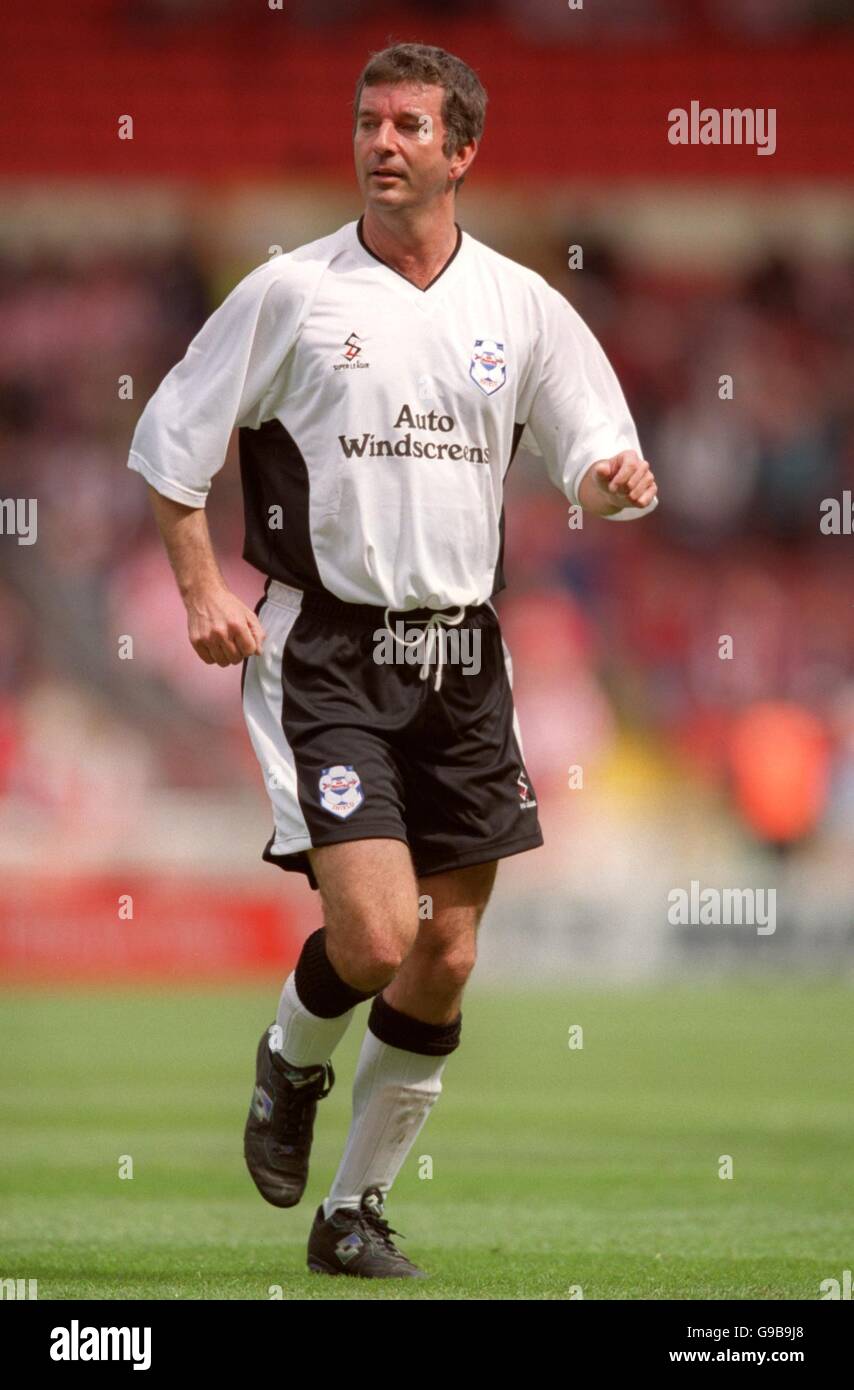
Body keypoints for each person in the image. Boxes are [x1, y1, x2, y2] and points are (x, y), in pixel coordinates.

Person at [127, 41, 658, 1280]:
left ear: (460, 151)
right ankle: (289, 1063)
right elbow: (167, 447)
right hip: (331, 652)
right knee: (371, 940)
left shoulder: (520, 304)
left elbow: (594, 448)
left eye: (410, 126)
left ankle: (351, 1210)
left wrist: (610, 482)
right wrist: (204, 588)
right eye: (369, 122)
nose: (381, 144)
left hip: (464, 657)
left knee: (448, 954)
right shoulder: (288, 294)